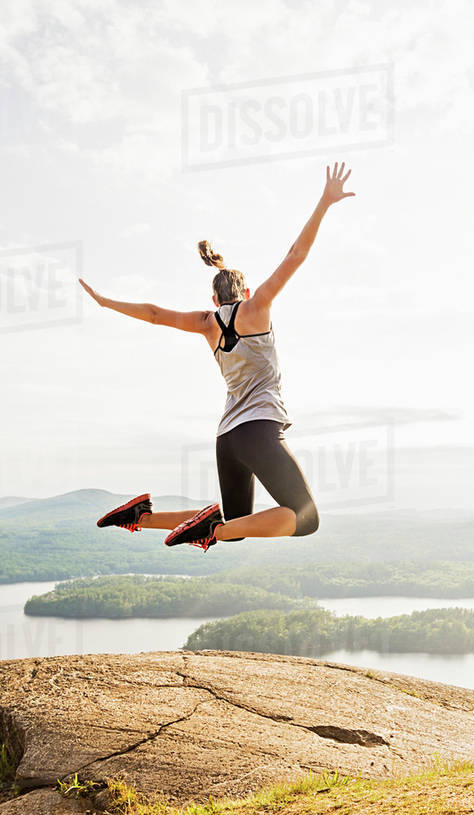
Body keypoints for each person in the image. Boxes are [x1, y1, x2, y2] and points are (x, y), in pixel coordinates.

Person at [78, 162, 356, 550]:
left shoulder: (206, 323)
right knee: (305, 518)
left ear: (214, 298)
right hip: (258, 429)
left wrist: (106, 303)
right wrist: (324, 203)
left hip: (227, 436)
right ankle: (211, 530)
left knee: (237, 522)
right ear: (245, 292)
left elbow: (154, 314)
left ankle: (141, 517)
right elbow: (296, 254)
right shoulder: (256, 307)